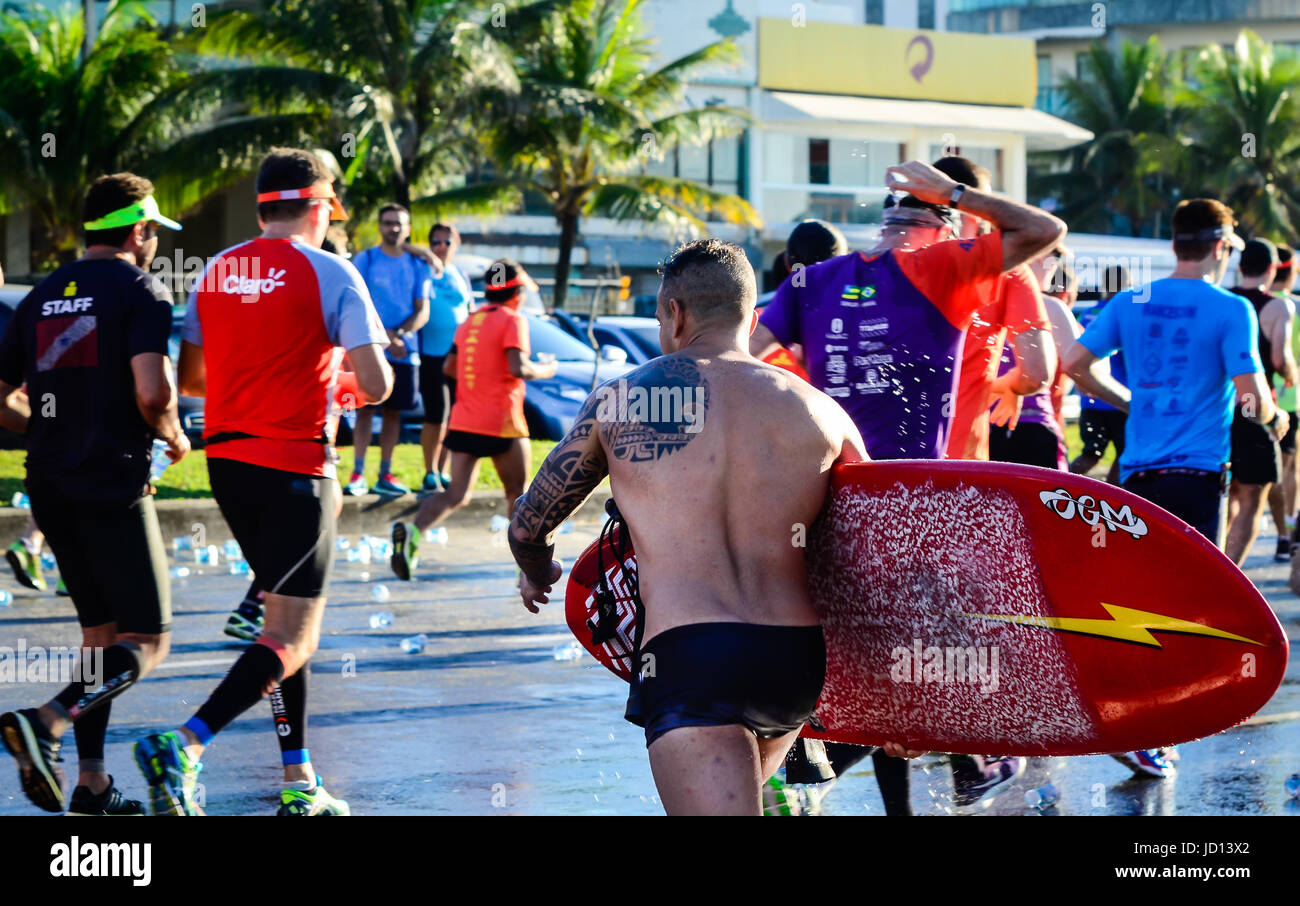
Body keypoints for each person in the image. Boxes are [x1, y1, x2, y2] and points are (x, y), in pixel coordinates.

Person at [508, 238, 902, 815]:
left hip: (691, 658)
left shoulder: (621, 400)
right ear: (753, 316)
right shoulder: (821, 411)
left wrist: (539, 571)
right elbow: (869, 559)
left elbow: (528, 528)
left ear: (674, 313)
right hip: (792, 663)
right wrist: (899, 700)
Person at [751, 159, 1066, 813]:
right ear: (946, 231)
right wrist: (953, 192)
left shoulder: (812, 281)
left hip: (829, 502)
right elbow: (1044, 236)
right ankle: (965, 756)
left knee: (873, 660)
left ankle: (802, 761)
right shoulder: (948, 267)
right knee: (960, 639)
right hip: (921, 499)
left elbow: (737, 355)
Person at [137, 148, 393, 816]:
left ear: (261, 205)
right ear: (322, 206)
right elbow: (378, 384)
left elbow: (191, 382)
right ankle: (186, 741)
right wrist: (333, 379)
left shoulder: (218, 269)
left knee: (281, 627)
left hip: (227, 464)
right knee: (295, 633)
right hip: (297, 467)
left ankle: (299, 780)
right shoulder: (333, 271)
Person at [0, 172, 187, 815]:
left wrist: (55, 425)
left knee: (99, 639)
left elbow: (1, 400)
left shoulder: (39, 296)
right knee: (149, 640)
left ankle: (91, 784)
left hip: (49, 486)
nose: (155, 242)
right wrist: (174, 435)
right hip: (112, 481)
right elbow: (152, 393)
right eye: (154, 231)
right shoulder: (143, 289)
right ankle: (46, 722)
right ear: (138, 230)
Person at [1065, 200, 1281, 550]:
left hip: (1138, 475)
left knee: (1144, 594)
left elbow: (1074, 363)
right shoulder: (1232, 307)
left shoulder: (1131, 300)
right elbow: (1252, 402)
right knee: (1197, 596)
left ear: (1174, 245)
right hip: (1199, 475)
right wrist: (1276, 416)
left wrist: (1127, 402)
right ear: (1219, 247)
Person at [389, 259, 556, 580]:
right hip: (503, 421)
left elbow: (450, 367)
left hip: (465, 420)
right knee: (517, 495)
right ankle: (524, 568)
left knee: (456, 494)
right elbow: (518, 367)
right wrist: (548, 368)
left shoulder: (469, 322)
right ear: (516, 292)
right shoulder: (512, 320)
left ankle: (412, 531)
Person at [935, 157, 1054, 463]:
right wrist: (1006, 387)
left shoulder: (890, 264)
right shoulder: (1007, 272)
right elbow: (1037, 372)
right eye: (985, 207)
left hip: (880, 464)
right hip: (960, 463)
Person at [345, 203, 431, 498]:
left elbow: (422, 311)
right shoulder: (365, 260)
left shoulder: (418, 265)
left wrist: (400, 335)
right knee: (365, 412)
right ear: (379, 226)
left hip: (405, 352)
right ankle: (357, 473)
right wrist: (383, 338)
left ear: (407, 229)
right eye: (387, 222)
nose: (393, 227)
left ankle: (385, 473)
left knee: (394, 413)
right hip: (370, 349)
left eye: (399, 223)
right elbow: (356, 303)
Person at [1223, 239, 1289, 566]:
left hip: (1220, 410)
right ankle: (1226, 576)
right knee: (1252, 499)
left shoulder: (1225, 300)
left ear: (1239, 266)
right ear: (1272, 268)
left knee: (1229, 495)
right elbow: (1279, 359)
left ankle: (1214, 564)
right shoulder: (1277, 306)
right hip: (1256, 408)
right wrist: (1291, 374)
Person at [417, 223, 474, 493]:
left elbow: (470, 310)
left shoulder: (460, 273)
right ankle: (430, 472)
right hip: (432, 355)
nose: (440, 247)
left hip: (461, 358)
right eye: (435, 241)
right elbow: (401, 245)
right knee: (436, 414)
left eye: (446, 242)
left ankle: (443, 470)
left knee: (455, 418)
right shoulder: (422, 269)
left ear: (456, 244)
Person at [1070, 264, 1132, 482]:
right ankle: (1112, 503)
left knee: (1090, 455)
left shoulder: (1088, 314)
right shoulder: (1124, 316)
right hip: (1119, 400)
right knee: (1123, 455)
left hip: (1091, 400)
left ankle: (1058, 484)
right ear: (1127, 285)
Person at [1262, 245, 1299, 560]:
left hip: (1247, 398)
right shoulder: (1292, 308)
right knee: (1286, 468)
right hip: (1286, 399)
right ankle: (1287, 530)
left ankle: (1285, 533)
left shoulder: (1248, 302)